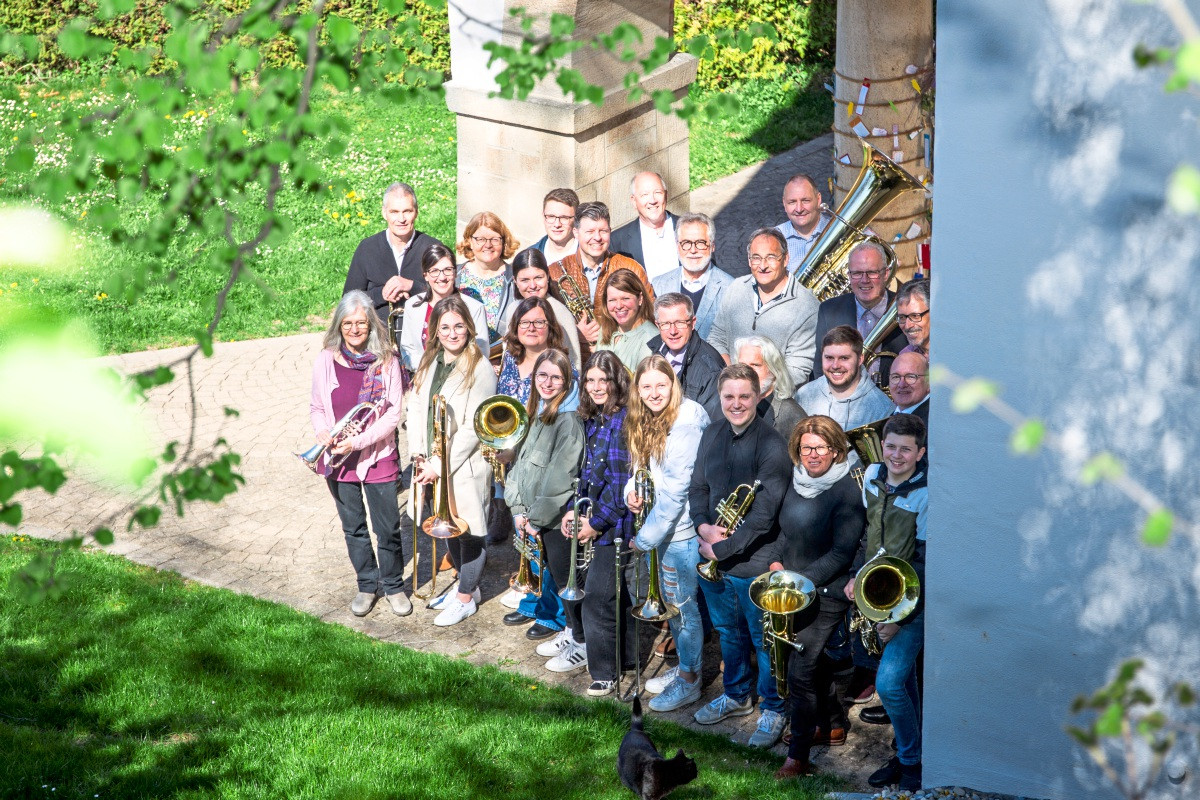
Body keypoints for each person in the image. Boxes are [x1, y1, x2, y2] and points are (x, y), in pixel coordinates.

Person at [689, 364, 792, 748]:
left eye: (744, 396)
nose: (736, 404)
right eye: (729, 396)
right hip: (713, 553)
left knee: (764, 641)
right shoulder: (711, 434)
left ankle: (774, 709)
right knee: (729, 633)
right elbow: (697, 488)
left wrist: (720, 548)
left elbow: (764, 517)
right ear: (720, 398)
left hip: (755, 562)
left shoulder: (772, 444)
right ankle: (736, 696)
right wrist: (703, 528)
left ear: (758, 397)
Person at [771, 416, 865, 779]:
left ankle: (798, 756)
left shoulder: (845, 492)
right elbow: (787, 531)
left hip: (825, 592)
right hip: (794, 587)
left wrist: (798, 582)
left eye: (820, 448)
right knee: (818, 666)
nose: (812, 455)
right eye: (806, 447)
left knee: (801, 671)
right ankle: (833, 725)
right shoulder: (798, 481)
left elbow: (842, 554)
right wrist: (778, 558)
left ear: (836, 450)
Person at [309, 290, 410, 617]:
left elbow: (393, 415)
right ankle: (367, 585)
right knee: (353, 528)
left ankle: (394, 585)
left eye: (361, 323)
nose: (354, 329)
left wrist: (358, 441)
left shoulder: (386, 361)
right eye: (348, 323)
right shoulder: (327, 358)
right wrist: (323, 431)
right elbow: (317, 407)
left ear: (371, 325)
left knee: (388, 527)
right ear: (339, 325)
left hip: (377, 457)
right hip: (337, 457)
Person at [845, 414, 928, 792]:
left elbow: (925, 561)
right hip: (879, 591)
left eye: (906, 449)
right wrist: (855, 576)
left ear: (920, 453)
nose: (897, 455)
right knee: (905, 682)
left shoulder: (926, 492)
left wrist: (900, 617)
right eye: (891, 446)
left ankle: (911, 762)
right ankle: (916, 750)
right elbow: (867, 536)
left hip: (911, 602)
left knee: (890, 684)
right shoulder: (873, 475)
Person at [623, 355, 710, 713]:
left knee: (683, 610)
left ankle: (691, 681)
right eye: (646, 387)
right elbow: (642, 468)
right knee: (674, 610)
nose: (654, 392)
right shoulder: (648, 417)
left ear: (674, 385)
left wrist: (644, 538)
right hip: (662, 529)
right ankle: (684, 669)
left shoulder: (687, 420)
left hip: (679, 533)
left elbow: (675, 491)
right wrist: (632, 489)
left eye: (662, 384)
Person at [407, 295, 497, 626]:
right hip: (431, 461)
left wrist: (437, 464)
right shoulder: (431, 361)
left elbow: (475, 428)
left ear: (469, 328)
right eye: (445, 327)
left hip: (463, 465)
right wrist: (418, 453)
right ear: (435, 330)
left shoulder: (480, 367)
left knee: (469, 531)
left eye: (459, 326)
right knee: (450, 530)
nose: (452, 332)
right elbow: (415, 406)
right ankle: (465, 587)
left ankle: (465, 599)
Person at [503, 349, 587, 667]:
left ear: (567, 381)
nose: (548, 382)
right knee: (554, 571)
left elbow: (560, 478)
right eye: (542, 375)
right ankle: (570, 630)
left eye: (556, 377)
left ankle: (582, 641)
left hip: (554, 520)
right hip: (535, 517)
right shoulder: (537, 412)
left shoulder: (568, 420)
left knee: (569, 582)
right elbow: (521, 466)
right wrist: (517, 508)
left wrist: (535, 517)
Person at [559, 351, 635, 695]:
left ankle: (604, 672)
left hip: (617, 527)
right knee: (607, 595)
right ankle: (626, 659)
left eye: (604, 380)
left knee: (598, 598)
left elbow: (621, 489)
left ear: (616, 382)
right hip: (597, 518)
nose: (596, 386)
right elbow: (587, 476)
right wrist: (576, 511)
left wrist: (596, 524)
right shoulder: (595, 420)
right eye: (590, 380)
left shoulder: (621, 423)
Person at [708, 227, 820, 387]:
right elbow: (716, 338)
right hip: (733, 393)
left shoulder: (807, 306)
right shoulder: (736, 287)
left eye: (771, 257)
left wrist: (753, 390)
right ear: (748, 260)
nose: (763, 265)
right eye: (756, 258)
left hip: (776, 402)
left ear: (786, 259)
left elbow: (796, 371)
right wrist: (734, 377)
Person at [548, 202, 655, 352]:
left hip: (619, 358)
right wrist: (572, 334)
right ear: (576, 233)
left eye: (603, 231)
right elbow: (543, 324)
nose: (597, 238)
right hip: (573, 361)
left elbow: (650, 316)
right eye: (590, 231)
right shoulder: (555, 272)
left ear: (610, 231)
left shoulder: (631, 268)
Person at [812, 241, 908, 382]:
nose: (864, 280)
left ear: (886, 273)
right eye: (857, 273)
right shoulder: (829, 310)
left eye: (872, 272)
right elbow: (820, 367)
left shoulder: (904, 308)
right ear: (849, 275)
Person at [343, 182, 442, 318]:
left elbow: (448, 296)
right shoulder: (367, 248)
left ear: (416, 212)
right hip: (378, 336)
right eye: (394, 212)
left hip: (424, 334)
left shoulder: (433, 248)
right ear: (384, 213)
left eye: (407, 211)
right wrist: (381, 294)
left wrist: (411, 286)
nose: (401, 219)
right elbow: (348, 300)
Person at [399, 243, 489, 371]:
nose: (442, 277)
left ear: (455, 272)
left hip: (461, 379)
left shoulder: (474, 308)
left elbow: (481, 353)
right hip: (422, 375)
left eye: (447, 270)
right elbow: (407, 349)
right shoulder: (412, 306)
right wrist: (429, 370)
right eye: (434, 271)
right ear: (425, 275)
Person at [794, 326, 894, 441]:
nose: (835, 365)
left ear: (860, 359)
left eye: (844, 358)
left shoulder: (882, 407)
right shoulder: (804, 395)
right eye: (829, 358)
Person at [650, 212, 734, 340]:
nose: (693, 250)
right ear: (678, 246)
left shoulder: (731, 289)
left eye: (700, 243)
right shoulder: (659, 285)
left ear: (712, 246)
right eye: (686, 243)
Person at [645, 292, 724, 423]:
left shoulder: (711, 369)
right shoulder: (654, 351)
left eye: (680, 323)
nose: (673, 331)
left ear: (693, 323)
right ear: (658, 325)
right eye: (665, 324)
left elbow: (714, 425)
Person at [498, 248, 581, 365]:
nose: (532, 285)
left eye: (538, 278)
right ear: (515, 281)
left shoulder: (560, 313)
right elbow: (508, 353)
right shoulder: (513, 308)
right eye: (525, 280)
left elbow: (573, 363)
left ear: (547, 276)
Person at [456, 211, 519, 343]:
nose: (488, 245)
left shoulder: (515, 278)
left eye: (494, 239)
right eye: (481, 239)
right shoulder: (454, 275)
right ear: (470, 241)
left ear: (503, 242)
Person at [733, 335, 806, 442]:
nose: (747, 372)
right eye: (742, 365)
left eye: (755, 365)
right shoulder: (732, 407)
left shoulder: (790, 414)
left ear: (774, 370)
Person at [609, 171, 679, 279]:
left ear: (666, 195)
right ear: (633, 201)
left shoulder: (690, 229)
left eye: (658, 192)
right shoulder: (617, 241)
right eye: (644, 195)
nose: (652, 200)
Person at [595, 268, 659, 371]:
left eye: (625, 298)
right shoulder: (606, 329)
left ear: (640, 299)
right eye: (612, 300)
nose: (619, 306)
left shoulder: (651, 338)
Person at [774, 174, 830, 270]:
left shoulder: (838, 229)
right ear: (784, 203)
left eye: (805, 200)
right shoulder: (773, 238)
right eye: (792, 202)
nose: (799, 209)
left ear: (818, 199)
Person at [531, 187, 580, 263]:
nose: (557, 224)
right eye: (551, 216)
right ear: (543, 216)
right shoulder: (530, 257)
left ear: (576, 218)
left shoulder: (591, 255)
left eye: (564, 217)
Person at [889, 350, 930, 425]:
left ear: (928, 383)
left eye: (910, 377)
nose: (902, 384)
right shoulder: (888, 420)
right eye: (896, 377)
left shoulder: (933, 423)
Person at [896, 277, 931, 357]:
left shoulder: (954, 353)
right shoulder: (904, 356)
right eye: (902, 317)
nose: (908, 326)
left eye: (915, 316)